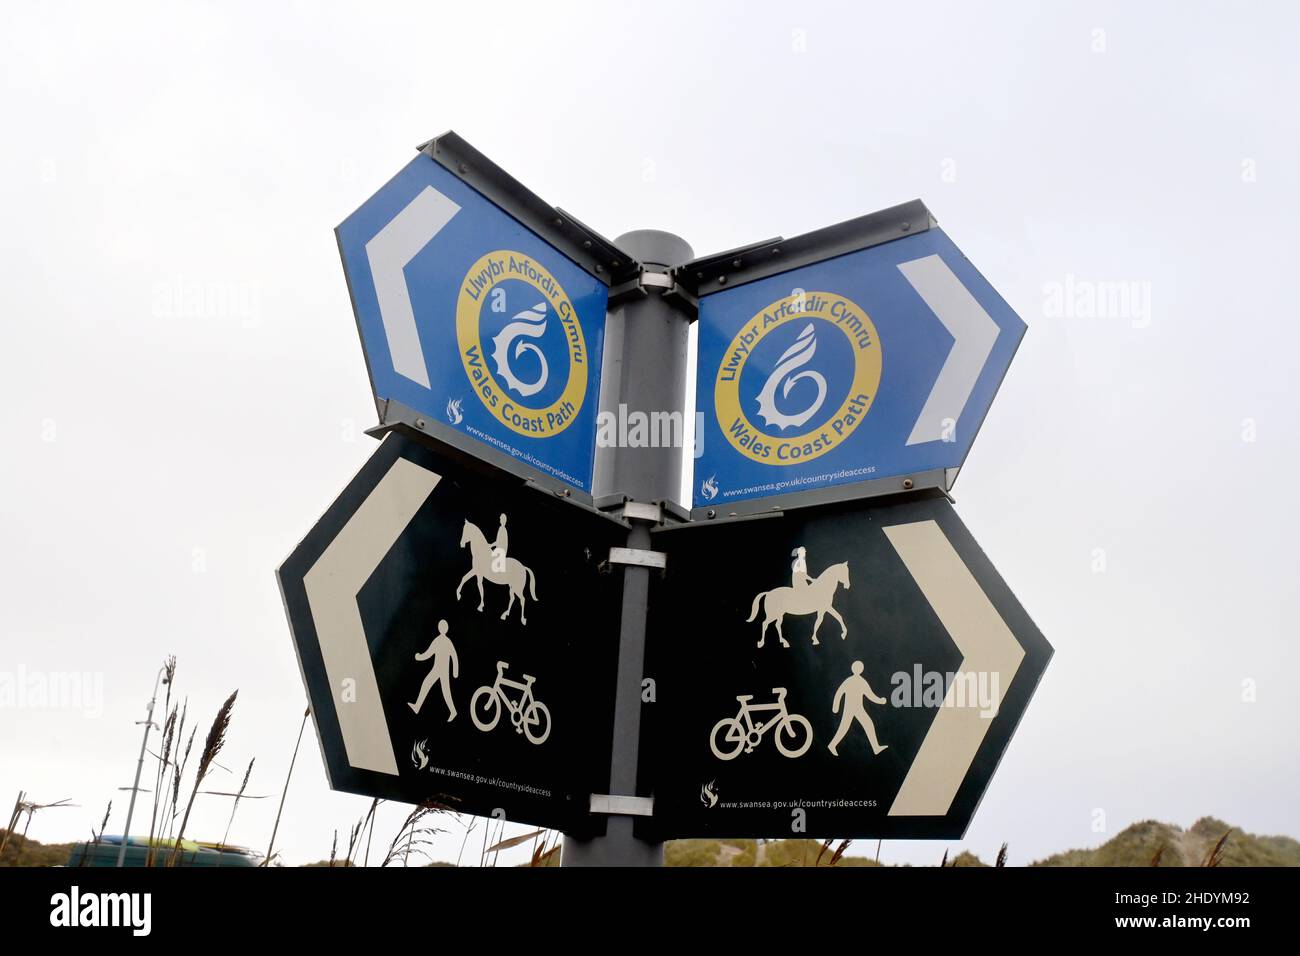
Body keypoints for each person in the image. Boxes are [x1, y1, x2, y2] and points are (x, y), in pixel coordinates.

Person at [828, 660, 888, 756]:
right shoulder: (853, 681)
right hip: (850, 709)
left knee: (868, 724)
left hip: (858, 708)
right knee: (844, 728)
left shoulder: (859, 681)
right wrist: (835, 706)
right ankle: (832, 745)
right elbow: (840, 692)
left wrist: (880, 701)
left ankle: (876, 747)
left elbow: (870, 695)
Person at [409, 620, 459, 721]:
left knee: (445, 691)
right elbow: (454, 657)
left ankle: (453, 711)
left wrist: (419, 657)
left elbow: (429, 653)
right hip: (438, 669)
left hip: (441, 671)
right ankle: (417, 706)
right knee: (427, 684)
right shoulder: (443, 641)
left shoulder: (442, 641)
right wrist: (455, 671)